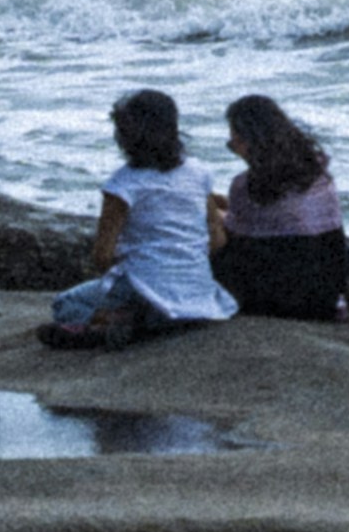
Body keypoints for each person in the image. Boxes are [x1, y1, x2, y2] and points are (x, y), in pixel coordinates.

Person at [41, 87, 235, 348]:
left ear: (124, 137)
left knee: (66, 303)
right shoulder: (199, 173)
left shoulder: (122, 185)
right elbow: (217, 239)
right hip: (196, 287)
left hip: (144, 283)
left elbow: (102, 256)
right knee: (155, 303)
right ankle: (152, 320)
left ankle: (112, 320)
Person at [214, 94, 348, 320]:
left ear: (248, 142)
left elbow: (237, 236)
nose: (233, 148)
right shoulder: (319, 171)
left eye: (233, 143)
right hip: (323, 297)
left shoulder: (244, 185)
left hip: (272, 300)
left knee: (213, 232)